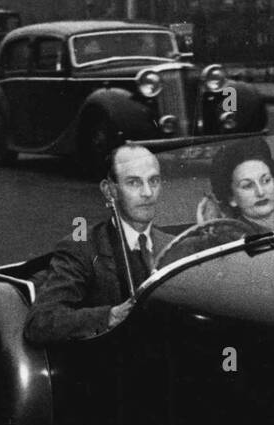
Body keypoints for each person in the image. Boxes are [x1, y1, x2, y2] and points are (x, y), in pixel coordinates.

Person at [24, 143, 170, 346]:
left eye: (154, 181)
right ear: (110, 191)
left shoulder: (174, 245)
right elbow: (40, 321)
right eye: (134, 183)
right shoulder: (82, 247)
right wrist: (110, 316)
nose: (148, 192)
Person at [207, 138, 274, 232]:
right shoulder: (230, 240)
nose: (260, 192)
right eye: (247, 186)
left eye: (266, 181)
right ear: (231, 198)